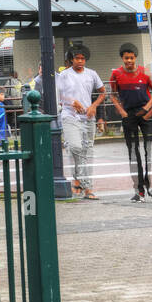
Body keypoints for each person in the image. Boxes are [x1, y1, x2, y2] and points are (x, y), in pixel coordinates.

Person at [109, 43, 152, 202]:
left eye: (131, 57)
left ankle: (149, 185)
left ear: (135, 57)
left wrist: (147, 108)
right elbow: (113, 95)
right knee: (133, 152)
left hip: (145, 114)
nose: (129, 60)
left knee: (148, 151)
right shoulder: (116, 74)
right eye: (126, 58)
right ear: (122, 59)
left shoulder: (145, 72)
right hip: (128, 115)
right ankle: (139, 190)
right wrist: (122, 112)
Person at [56, 50, 105, 198]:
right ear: (71, 60)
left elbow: (103, 92)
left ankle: (85, 186)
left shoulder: (92, 74)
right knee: (76, 147)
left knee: (87, 152)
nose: (80, 61)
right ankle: (82, 182)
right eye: (77, 58)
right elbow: (57, 94)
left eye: (83, 59)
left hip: (88, 117)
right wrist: (71, 101)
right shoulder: (64, 75)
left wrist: (94, 106)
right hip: (70, 116)